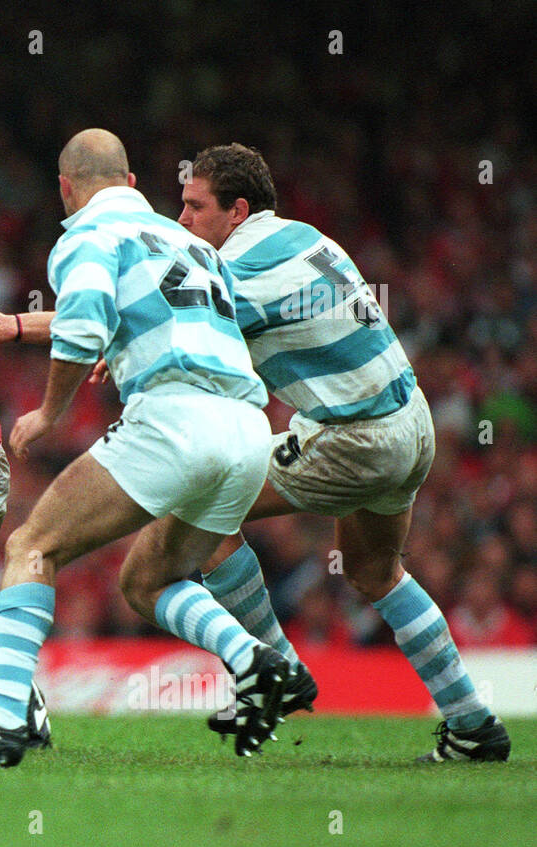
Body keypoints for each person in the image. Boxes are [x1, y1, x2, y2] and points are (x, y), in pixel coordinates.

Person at [0, 129, 288, 766]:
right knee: (153, 577)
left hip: (175, 418)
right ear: (134, 184)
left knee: (33, 545)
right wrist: (18, 326)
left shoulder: (84, 235)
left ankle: (6, 717)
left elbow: (85, 323)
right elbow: (146, 318)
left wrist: (48, 413)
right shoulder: (185, 239)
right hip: (249, 427)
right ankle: (258, 659)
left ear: (65, 189)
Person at [175, 143, 508, 762]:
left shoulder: (237, 268)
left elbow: (164, 328)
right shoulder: (304, 235)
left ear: (238, 209)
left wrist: (33, 329)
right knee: (375, 571)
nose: (183, 219)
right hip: (410, 420)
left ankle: (278, 671)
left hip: (355, 437)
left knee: (202, 514)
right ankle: (473, 726)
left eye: (195, 206)